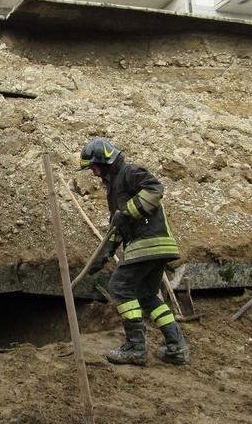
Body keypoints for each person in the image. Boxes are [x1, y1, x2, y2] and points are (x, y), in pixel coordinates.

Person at [79, 137, 189, 366]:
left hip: (147, 244)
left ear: (105, 161)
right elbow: (118, 227)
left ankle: (135, 347)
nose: (94, 174)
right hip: (159, 247)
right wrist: (105, 255)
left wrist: (127, 212)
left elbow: (155, 189)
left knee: (120, 286)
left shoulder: (129, 172)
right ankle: (177, 347)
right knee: (148, 296)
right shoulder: (114, 187)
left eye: (94, 168)